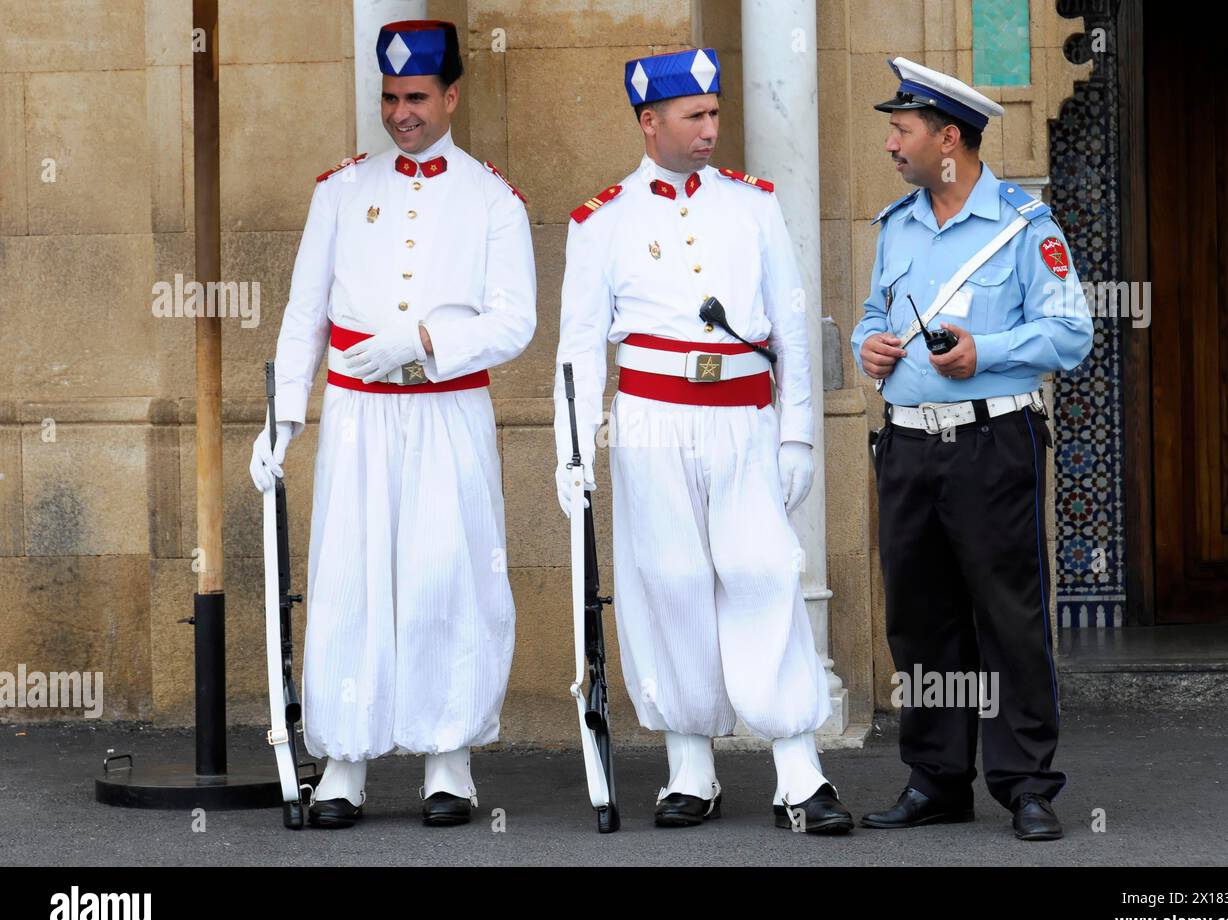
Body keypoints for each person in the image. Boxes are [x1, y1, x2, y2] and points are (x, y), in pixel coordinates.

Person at [553, 47, 853, 833]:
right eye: (695, 116)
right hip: (651, 421)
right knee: (671, 582)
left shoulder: (754, 204)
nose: (711, 128)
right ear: (651, 124)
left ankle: (800, 772)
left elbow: (790, 322)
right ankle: (691, 769)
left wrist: (798, 437)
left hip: (744, 418)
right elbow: (579, 349)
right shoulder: (602, 220)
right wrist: (572, 451)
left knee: (762, 572)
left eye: (715, 113)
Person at [248, 19, 536, 828]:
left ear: (450, 97)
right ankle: (343, 759)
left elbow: (516, 323)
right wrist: (284, 419)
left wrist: (423, 342)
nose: (402, 113)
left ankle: (449, 762)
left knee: (449, 578)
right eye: (390, 98)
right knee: (351, 575)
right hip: (357, 413)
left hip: (448, 407)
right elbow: (305, 313)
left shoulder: (492, 198)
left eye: (416, 97)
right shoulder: (340, 190)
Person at [851, 57, 1092, 840]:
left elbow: (1070, 332)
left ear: (947, 138)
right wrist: (871, 348)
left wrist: (981, 352)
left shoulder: (1028, 228)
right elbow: (868, 315)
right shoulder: (898, 226)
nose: (891, 143)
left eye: (902, 129)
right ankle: (937, 779)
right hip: (909, 445)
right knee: (921, 621)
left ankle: (1025, 784)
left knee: (1008, 616)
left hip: (995, 440)